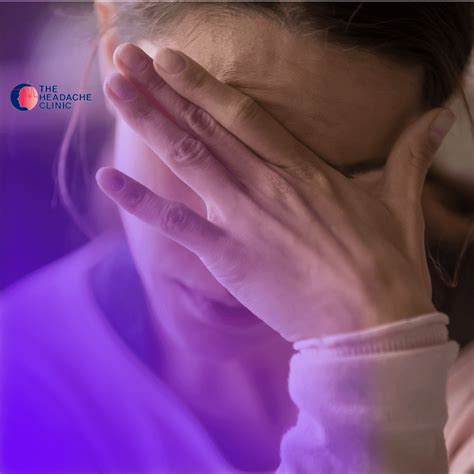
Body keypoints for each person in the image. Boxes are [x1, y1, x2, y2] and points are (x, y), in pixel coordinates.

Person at [1, 2, 473, 472]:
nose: (231, 264)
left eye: (331, 186)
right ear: (112, 47)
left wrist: (380, 363)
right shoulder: (18, 382)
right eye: (206, 149)